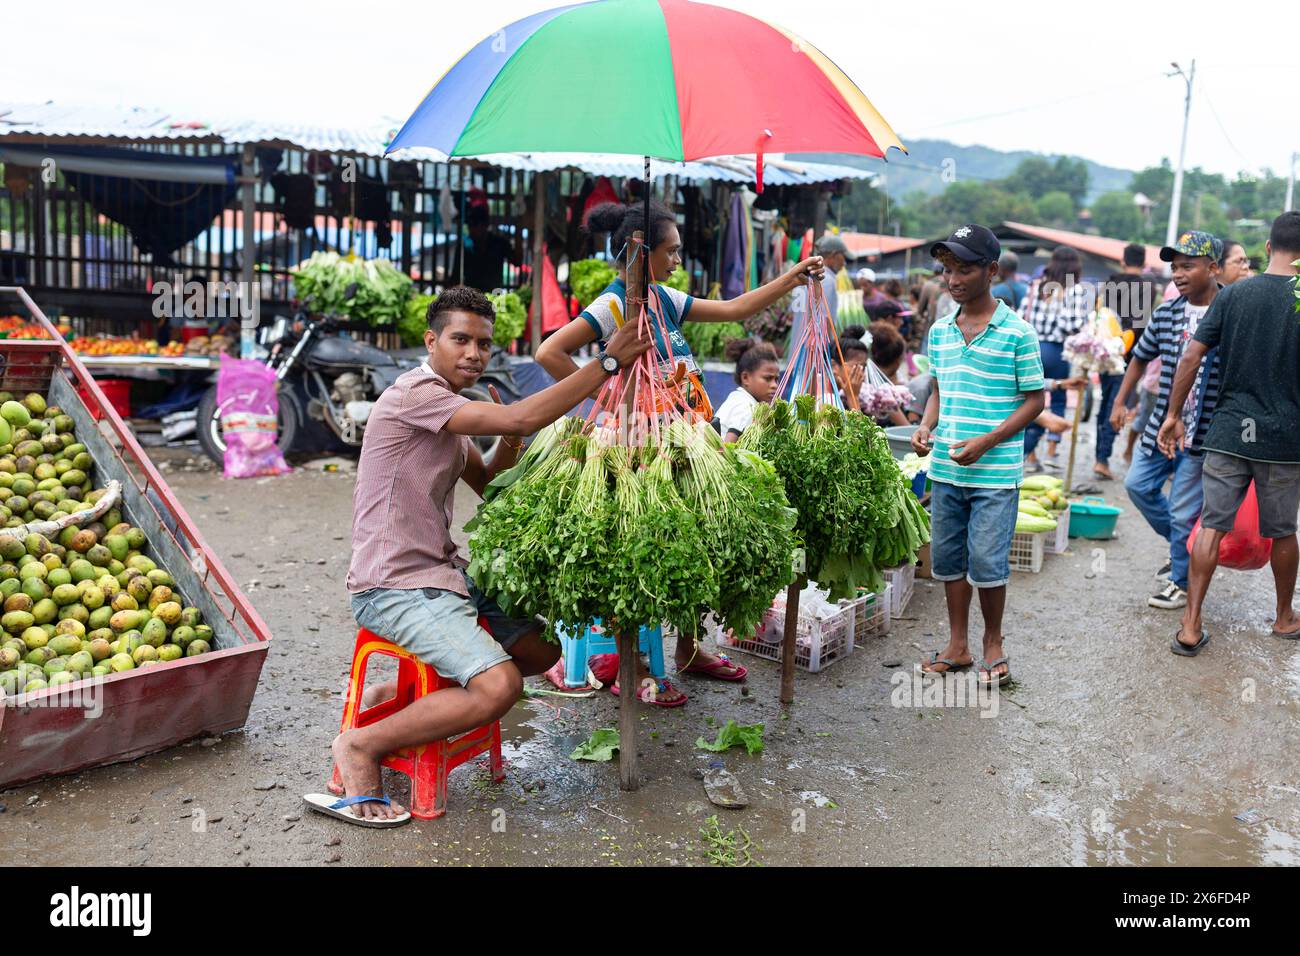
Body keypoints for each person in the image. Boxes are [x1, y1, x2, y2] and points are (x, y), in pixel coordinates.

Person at [329, 286, 653, 823]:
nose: (474, 354)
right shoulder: (416, 394)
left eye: (483, 343)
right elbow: (524, 418)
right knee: (499, 685)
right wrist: (609, 362)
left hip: (443, 574)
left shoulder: (454, 408)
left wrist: (507, 441)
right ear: (431, 341)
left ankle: (407, 696)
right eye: (460, 340)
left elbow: (489, 481)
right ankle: (361, 746)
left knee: (542, 651)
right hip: (392, 584)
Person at [538, 199, 825, 701]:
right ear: (638, 250)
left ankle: (689, 649)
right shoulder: (613, 305)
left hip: (689, 438)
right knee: (647, 546)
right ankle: (630, 657)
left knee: (700, 543)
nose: (677, 261)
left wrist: (792, 277)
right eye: (670, 251)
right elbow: (549, 352)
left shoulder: (665, 299)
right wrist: (606, 394)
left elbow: (735, 309)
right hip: (640, 449)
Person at [1158, 213, 1300, 656]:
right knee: (1283, 531)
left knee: (1212, 527)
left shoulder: (1234, 295)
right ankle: (1283, 618)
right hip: (1284, 437)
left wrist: (1173, 414)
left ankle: (1190, 625)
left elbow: (1191, 357)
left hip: (1228, 432)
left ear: (1266, 245)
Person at [911, 224, 1046, 687]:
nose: (953, 279)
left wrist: (989, 440)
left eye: (964, 269)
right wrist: (927, 425)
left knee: (987, 561)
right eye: (948, 269)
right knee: (948, 560)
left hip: (994, 473)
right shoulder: (941, 332)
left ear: (991, 271)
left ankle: (993, 643)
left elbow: (1035, 401)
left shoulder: (1018, 333)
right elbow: (938, 390)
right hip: (947, 468)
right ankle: (957, 645)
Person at [1108, 231, 1223, 612]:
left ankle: (1181, 579)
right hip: (1161, 423)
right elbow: (1140, 356)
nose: (1178, 274)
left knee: (1183, 509)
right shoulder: (1168, 311)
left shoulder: (1230, 310)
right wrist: (1120, 401)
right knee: (1137, 485)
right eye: (1174, 267)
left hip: (1204, 430)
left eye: (1187, 266)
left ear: (1213, 267)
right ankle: (1185, 549)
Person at [1019, 245, 1091, 472]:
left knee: (1030, 398)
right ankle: (1051, 451)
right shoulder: (1075, 290)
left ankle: (1029, 455)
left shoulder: (1034, 287)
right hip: (1057, 350)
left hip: (1031, 348)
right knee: (1058, 399)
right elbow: (1071, 325)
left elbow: (1021, 317)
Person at [1094, 243, 1159, 479]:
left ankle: (1100, 456)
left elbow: (1100, 318)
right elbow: (1141, 324)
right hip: (1130, 358)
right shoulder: (1149, 287)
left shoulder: (1110, 284)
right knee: (1116, 403)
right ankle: (1102, 459)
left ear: (1123, 261)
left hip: (1105, 353)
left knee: (1106, 403)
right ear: (1144, 264)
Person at [716, 340, 779, 442]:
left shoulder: (737, 396)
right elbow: (728, 445)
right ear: (745, 378)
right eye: (768, 378)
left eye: (776, 379)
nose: (774, 385)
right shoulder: (746, 406)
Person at [454, 205, 522, 293]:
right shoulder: (464, 246)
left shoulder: (500, 243)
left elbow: (516, 262)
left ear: (484, 226)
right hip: (472, 299)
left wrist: (518, 234)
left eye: (474, 226)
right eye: (470, 226)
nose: (471, 230)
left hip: (495, 297)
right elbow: (455, 277)